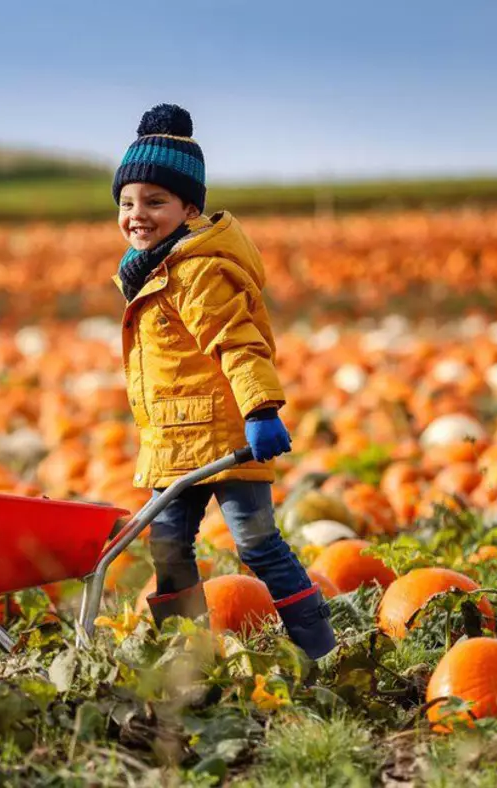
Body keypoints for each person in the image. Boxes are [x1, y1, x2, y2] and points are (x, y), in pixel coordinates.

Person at [111, 103, 336, 659]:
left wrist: (261, 410)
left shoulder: (199, 272)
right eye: (128, 202)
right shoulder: (154, 270)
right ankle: (187, 657)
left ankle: (319, 649)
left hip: (230, 438)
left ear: (189, 209)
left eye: (155, 202)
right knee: (167, 548)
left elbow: (237, 342)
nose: (138, 214)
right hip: (174, 441)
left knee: (257, 543)